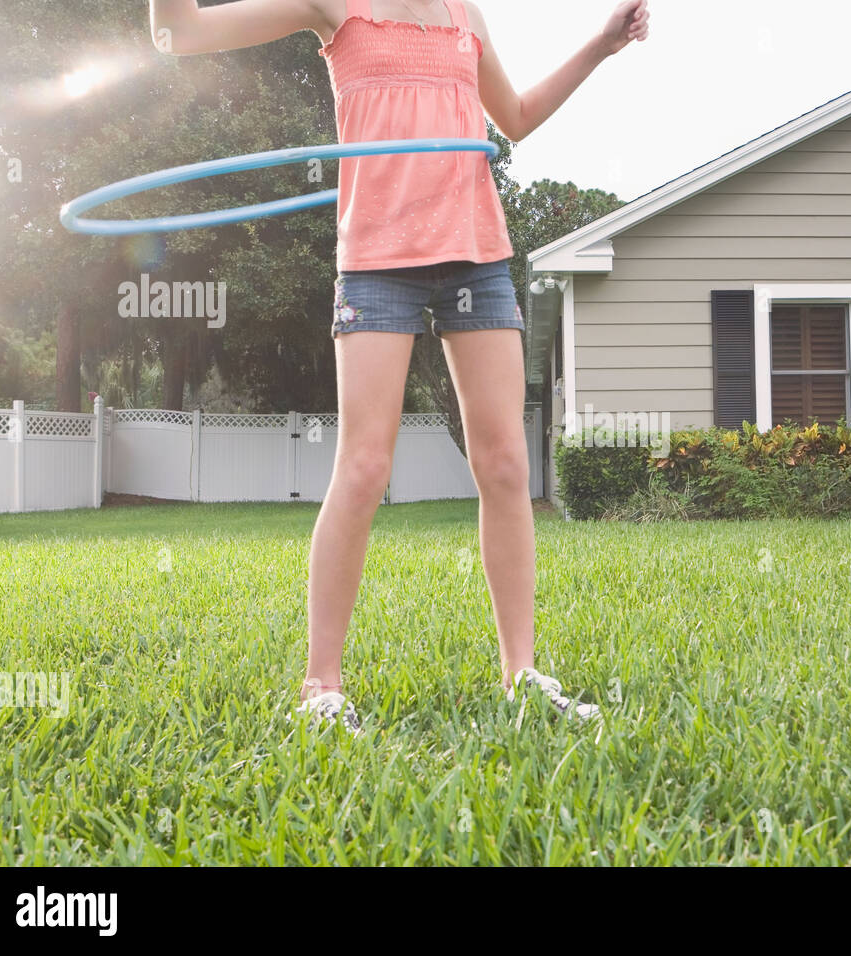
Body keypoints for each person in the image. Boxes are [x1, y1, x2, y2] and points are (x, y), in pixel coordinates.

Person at [149, 0, 651, 733]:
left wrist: (601, 45)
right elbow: (180, 32)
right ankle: (321, 687)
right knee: (361, 469)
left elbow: (513, 116)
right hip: (379, 262)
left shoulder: (463, 14)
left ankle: (522, 674)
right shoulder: (335, 4)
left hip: (475, 253)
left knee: (507, 465)